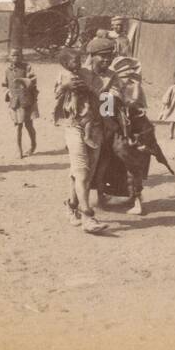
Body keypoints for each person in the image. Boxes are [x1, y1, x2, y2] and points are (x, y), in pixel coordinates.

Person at [52, 44, 108, 234]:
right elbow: (56, 96)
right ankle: (87, 215)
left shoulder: (110, 77)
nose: (107, 60)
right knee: (82, 171)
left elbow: (107, 106)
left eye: (110, 56)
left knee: (85, 173)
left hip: (96, 127)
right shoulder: (66, 74)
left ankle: (71, 204)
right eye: (103, 56)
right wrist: (65, 86)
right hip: (73, 125)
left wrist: (92, 90)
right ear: (91, 56)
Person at [3, 46, 38, 158]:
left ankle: (33, 144)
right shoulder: (7, 70)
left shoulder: (27, 67)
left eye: (18, 55)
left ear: (21, 56)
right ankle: (19, 149)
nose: (15, 57)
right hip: (15, 102)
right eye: (13, 55)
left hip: (27, 100)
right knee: (18, 126)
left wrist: (24, 81)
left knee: (28, 125)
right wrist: (7, 92)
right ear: (9, 57)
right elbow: (5, 84)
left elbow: (32, 80)